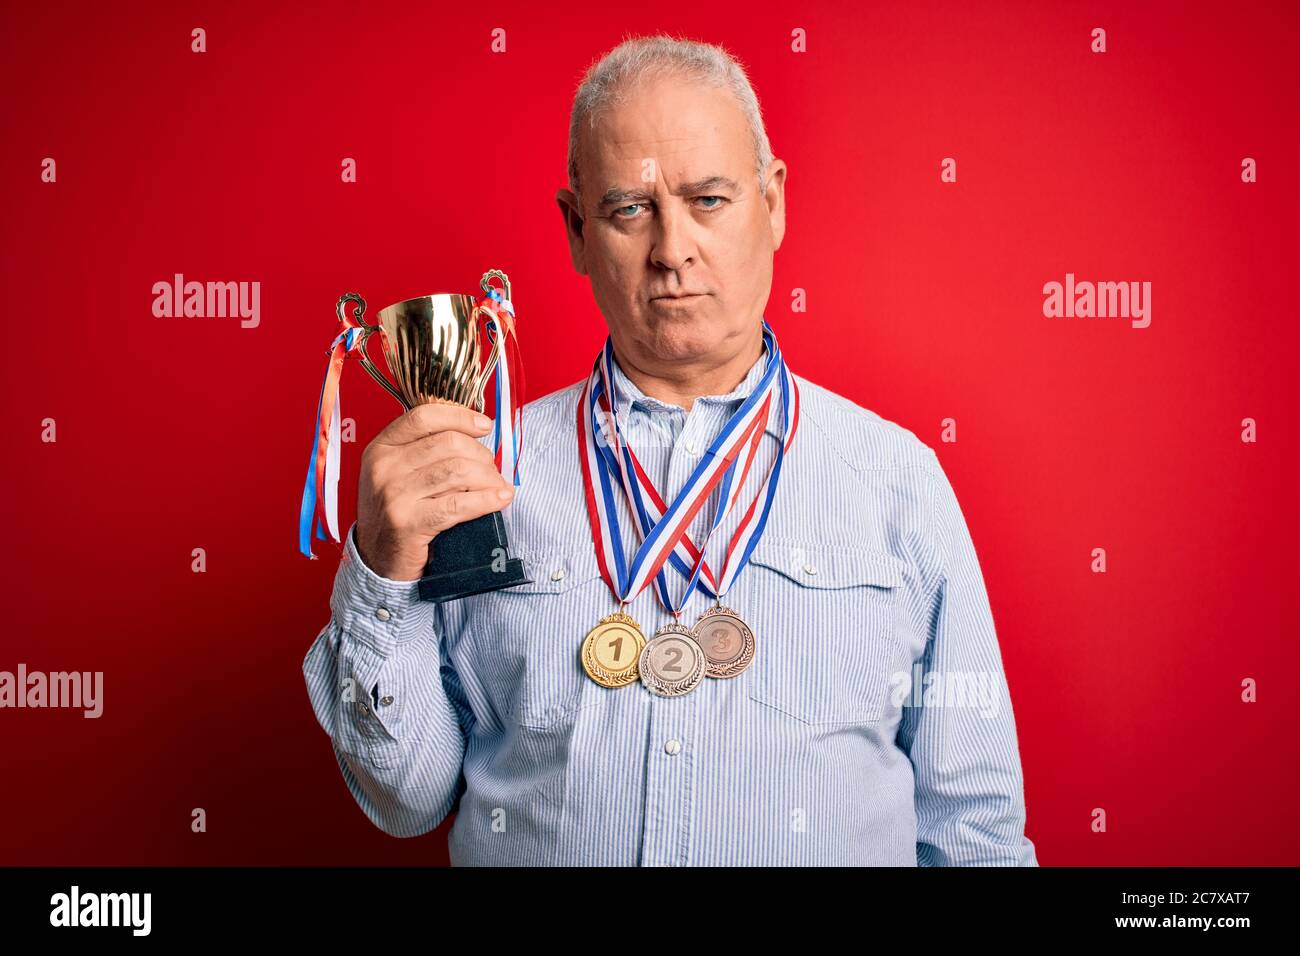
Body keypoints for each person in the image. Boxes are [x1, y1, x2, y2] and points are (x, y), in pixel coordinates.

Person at [302, 33, 1037, 866]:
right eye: (630, 209)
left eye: (710, 200)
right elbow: (407, 801)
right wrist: (380, 570)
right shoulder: (478, 475)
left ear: (774, 201)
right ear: (577, 231)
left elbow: (974, 831)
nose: (672, 250)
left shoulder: (899, 481)